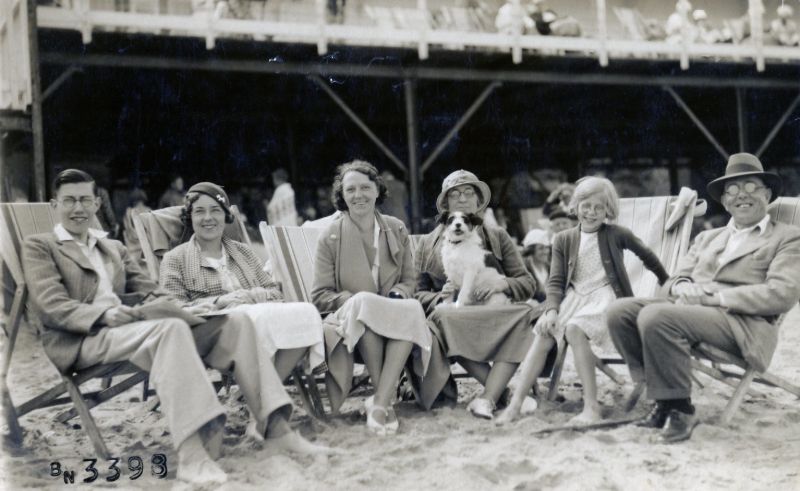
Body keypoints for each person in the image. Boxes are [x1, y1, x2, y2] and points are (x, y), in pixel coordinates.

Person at [22, 170, 325, 486]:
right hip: (85, 337)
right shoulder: (41, 246)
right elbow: (52, 306)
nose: (78, 208)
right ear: (54, 204)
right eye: (69, 200)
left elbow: (152, 290)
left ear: (97, 202)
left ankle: (277, 429)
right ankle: (192, 453)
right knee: (169, 330)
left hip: (131, 327)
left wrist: (188, 308)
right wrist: (103, 316)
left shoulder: (112, 248)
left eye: (85, 199)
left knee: (237, 322)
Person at [606, 153, 800, 443]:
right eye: (732, 190)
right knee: (619, 311)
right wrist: (682, 287)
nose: (741, 196)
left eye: (750, 187)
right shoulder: (708, 238)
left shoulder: (788, 237)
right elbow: (673, 281)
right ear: (724, 200)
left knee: (657, 316)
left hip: (745, 324)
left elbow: (781, 293)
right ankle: (658, 395)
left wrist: (717, 297)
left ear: (768, 193)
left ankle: (680, 409)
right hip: (690, 313)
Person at [158, 182, 328, 435]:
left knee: (306, 313)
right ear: (189, 217)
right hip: (217, 330)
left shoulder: (243, 252)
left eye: (215, 210)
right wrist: (221, 301)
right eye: (199, 212)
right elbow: (173, 306)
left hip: (257, 313)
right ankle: (263, 407)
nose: (208, 218)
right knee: (251, 320)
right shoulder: (176, 258)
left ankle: (255, 401)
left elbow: (274, 291)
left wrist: (256, 294)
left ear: (226, 215)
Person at [497, 177, 669, 425]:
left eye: (599, 207)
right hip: (575, 297)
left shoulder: (617, 234)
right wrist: (552, 310)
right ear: (575, 206)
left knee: (574, 330)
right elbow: (555, 282)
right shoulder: (563, 239)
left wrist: (667, 281)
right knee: (544, 332)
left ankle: (591, 407)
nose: (591, 212)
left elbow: (648, 256)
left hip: (606, 297)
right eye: (586, 206)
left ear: (607, 210)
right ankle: (515, 405)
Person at [311, 160, 432, 435]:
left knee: (409, 306)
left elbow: (409, 281)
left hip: (392, 311)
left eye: (365, 187)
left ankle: (379, 402)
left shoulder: (396, 228)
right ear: (341, 195)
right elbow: (320, 295)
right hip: (350, 318)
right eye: (350, 189)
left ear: (378, 190)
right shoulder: (329, 236)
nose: (358, 195)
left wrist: (397, 294)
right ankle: (384, 399)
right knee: (366, 305)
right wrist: (358, 300)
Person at [415, 170, 537, 420]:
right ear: (446, 204)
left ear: (479, 201)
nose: (462, 198)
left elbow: (528, 283)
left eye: (469, 193)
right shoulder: (427, 243)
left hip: (496, 314)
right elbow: (416, 293)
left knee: (524, 313)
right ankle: (502, 394)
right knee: (442, 320)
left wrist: (502, 284)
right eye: (455, 194)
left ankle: (490, 396)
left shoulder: (498, 235)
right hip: (460, 322)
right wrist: (440, 296)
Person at [121, 188, 151, 268]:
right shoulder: (148, 211)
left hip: (132, 247)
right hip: (146, 247)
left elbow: (126, 228)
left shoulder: (128, 212)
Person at [521, 228, 551, 304]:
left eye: (547, 247)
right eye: (541, 248)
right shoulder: (524, 270)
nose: (546, 251)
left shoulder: (550, 268)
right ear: (531, 251)